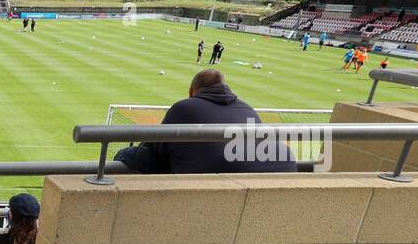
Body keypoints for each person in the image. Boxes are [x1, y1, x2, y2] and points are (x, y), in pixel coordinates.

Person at [112, 69, 297, 175]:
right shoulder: (248, 108)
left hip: (218, 191)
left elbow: (153, 148)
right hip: (274, 184)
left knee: (131, 154)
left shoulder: (185, 107)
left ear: (192, 91)